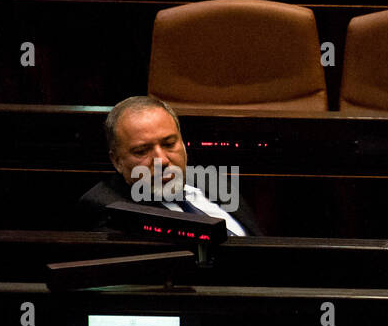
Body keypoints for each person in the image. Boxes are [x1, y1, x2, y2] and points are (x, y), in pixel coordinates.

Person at [78, 96, 261, 235]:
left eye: (169, 144)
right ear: (117, 161)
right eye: (142, 151)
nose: (162, 160)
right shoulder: (111, 210)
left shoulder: (209, 180)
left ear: (182, 143)